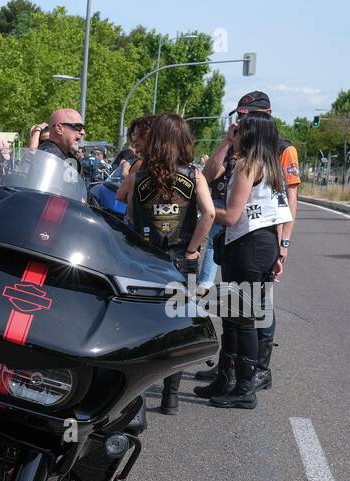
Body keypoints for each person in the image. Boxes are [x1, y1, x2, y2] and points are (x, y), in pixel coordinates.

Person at [116, 113, 215, 414]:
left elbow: (130, 214)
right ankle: (171, 398)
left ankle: (138, 400)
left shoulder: (138, 174)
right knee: (178, 326)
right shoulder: (195, 175)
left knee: (141, 327)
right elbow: (209, 214)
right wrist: (193, 249)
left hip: (145, 259)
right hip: (182, 259)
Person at [199, 91, 298, 389]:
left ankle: (251, 377)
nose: (238, 122)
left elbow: (287, 202)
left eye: (244, 117)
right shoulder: (243, 151)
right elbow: (208, 174)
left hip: (252, 238)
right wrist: (227, 142)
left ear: (261, 118)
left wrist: (284, 245)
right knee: (235, 315)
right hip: (240, 237)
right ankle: (229, 375)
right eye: (238, 115)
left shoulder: (277, 152)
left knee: (248, 316)